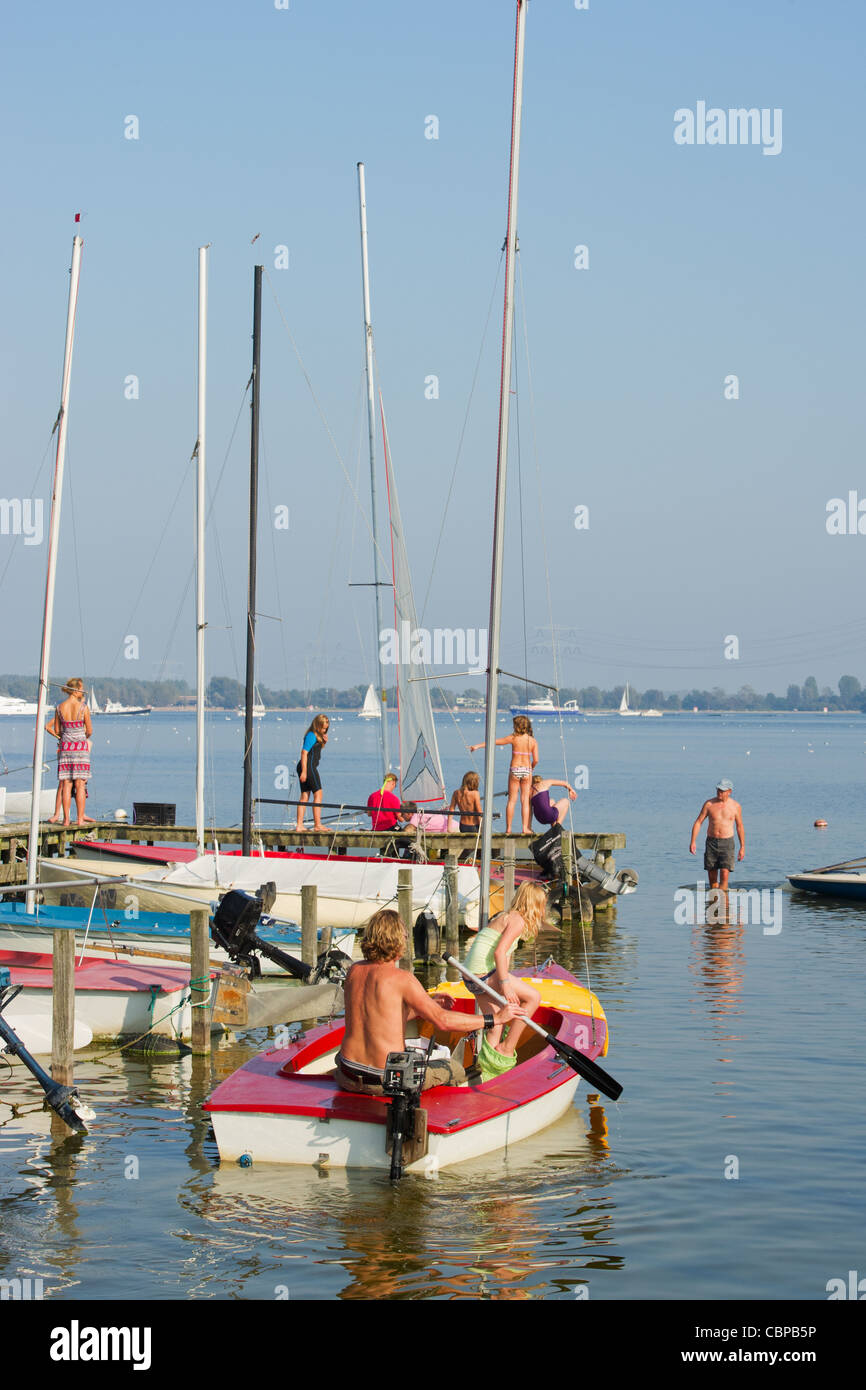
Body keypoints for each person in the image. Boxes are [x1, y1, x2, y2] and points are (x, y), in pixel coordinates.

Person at [334, 908, 524, 1094]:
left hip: (348, 1073)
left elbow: (379, 1017)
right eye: (405, 936)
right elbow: (443, 1021)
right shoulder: (402, 978)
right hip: (385, 1080)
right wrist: (495, 1019)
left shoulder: (354, 971)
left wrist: (428, 1005)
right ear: (397, 940)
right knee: (453, 1068)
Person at [459, 880, 546, 1075]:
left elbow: (504, 957)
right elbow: (499, 953)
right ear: (534, 905)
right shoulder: (518, 921)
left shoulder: (506, 917)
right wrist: (505, 984)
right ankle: (506, 1048)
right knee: (533, 998)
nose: (543, 911)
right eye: (542, 906)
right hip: (483, 974)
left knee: (495, 1024)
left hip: (471, 978)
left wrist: (504, 981)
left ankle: (486, 1072)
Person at [470, 716, 538, 834]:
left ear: (517, 726)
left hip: (515, 769)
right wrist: (531, 768)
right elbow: (536, 759)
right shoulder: (532, 741)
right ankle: (525, 828)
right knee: (525, 800)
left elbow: (494, 742)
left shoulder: (513, 738)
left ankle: (508, 828)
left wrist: (477, 746)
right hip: (527, 770)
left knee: (512, 800)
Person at [45, 678, 94, 827]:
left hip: (66, 746)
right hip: (80, 746)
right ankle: (79, 819)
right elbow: (90, 731)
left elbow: (58, 730)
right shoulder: (83, 708)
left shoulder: (59, 708)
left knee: (66, 783)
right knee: (79, 784)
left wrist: (68, 736)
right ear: (77, 689)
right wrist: (81, 736)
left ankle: (66, 820)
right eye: (82, 688)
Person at [689, 778, 745, 890]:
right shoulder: (709, 804)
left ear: (729, 791)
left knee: (724, 872)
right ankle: (714, 902)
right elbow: (698, 822)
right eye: (718, 789)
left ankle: (724, 901)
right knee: (712, 875)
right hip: (711, 842)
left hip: (727, 843)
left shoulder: (735, 806)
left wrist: (742, 847)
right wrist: (693, 841)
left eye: (722, 790)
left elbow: (739, 826)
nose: (719, 792)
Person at [294, 714, 329, 831]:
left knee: (305, 795)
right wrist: (304, 771)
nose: (324, 730)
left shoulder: (316, 736)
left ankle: (299, 825)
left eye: (326, 728)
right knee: (318, 794)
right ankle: (317, 825)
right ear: (317, 725)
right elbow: (304, 753)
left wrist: (323, 742)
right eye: (323, 728)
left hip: (306, 767)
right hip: (308, 767)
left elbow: (315, 751)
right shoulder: (311, 735)